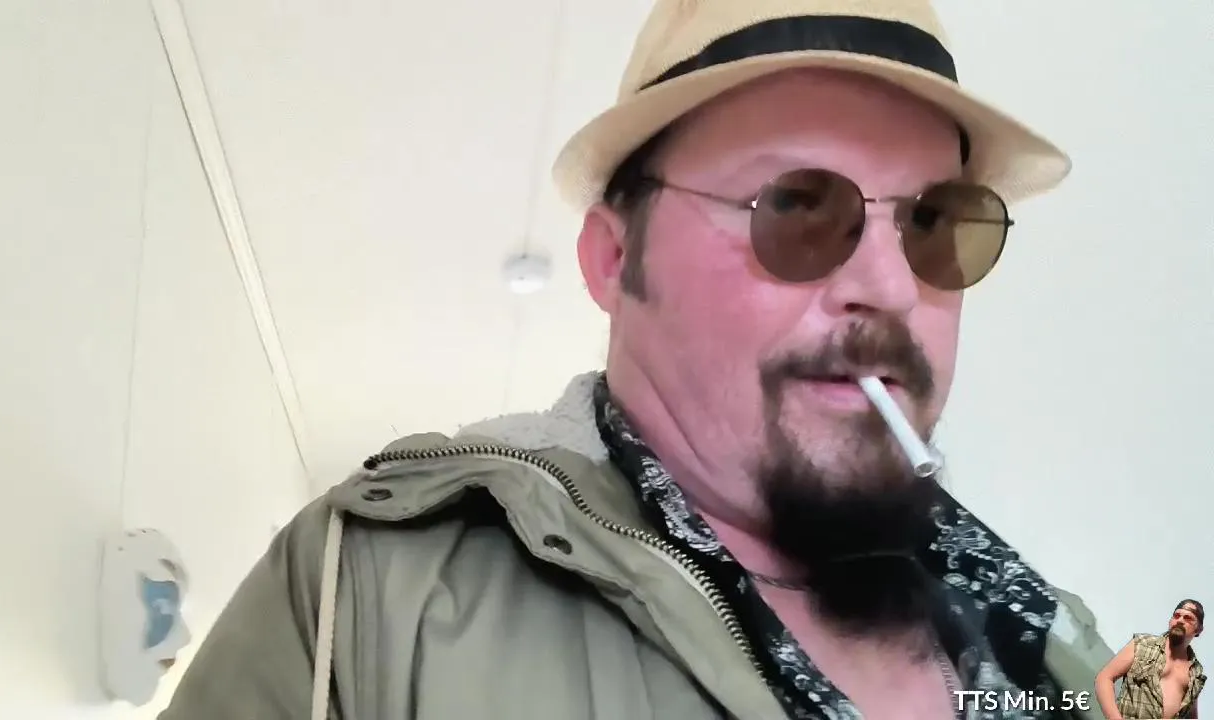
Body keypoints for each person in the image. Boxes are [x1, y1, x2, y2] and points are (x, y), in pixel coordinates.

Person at [159, 1, 1116, 718]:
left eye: (935, 222)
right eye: (796, 206)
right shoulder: (368, 600)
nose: (894, 286)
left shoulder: (1070, 651)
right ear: (615, 260)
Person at [1095, 600, 1206, 719]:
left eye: (1188, 618)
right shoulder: (1142, 644)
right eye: (1176, 615)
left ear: (1199, 629)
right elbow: (1104, 678)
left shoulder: (1195, 672)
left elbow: (1191, 714)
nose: (1180, 620)